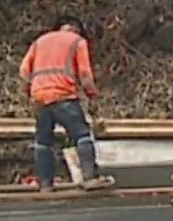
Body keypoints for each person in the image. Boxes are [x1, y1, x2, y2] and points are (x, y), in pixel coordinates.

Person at [18, 16, 114, 192]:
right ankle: (90, 177)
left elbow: (24, 72)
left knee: (43, 142)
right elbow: (85, 75)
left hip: (40, 97)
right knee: (82, 135)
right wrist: (92, 96)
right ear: (76, 29)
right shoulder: (77, 41)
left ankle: (45, 184)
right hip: (63, 96)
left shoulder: (40, 41)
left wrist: (29, 93)